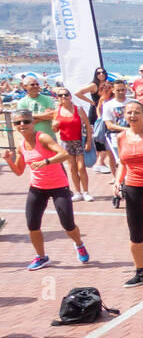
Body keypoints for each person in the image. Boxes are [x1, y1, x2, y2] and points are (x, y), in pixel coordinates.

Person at [4, 108, 89, 270]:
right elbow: (19, 171)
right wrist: (9, 160)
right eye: (18, 122)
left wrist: (46, 162)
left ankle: (79, 244)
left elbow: (63, 154)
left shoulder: (42, 138)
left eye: (26, 121)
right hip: (37, 188)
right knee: (32, 224)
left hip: (58, 187)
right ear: (15, 126)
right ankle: (41, 257)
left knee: (68, 224)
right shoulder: (21, 145)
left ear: (33, 122)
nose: (22, 124)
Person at [113, 99, 143, 286]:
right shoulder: (121, 137)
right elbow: (122, 163)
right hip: (133, 187)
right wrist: (118, 181)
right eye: (129, 112)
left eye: (136, 112)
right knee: (136, 233)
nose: (132, 116)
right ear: (124, 115)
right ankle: (141, 272)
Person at [50, 86, 92, 202]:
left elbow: (88, 126)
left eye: (66, 95)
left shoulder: (78, 109)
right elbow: (55, 130)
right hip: (66, 142)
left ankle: (86, 191)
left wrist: (88, 141)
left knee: (81, 167)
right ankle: (77, 192)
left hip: (79, 141)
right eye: (60, 95)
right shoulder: (57, 111)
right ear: (57, 98)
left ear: (70, 96)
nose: (63, 97)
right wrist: (54, 126)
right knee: (72, 168)